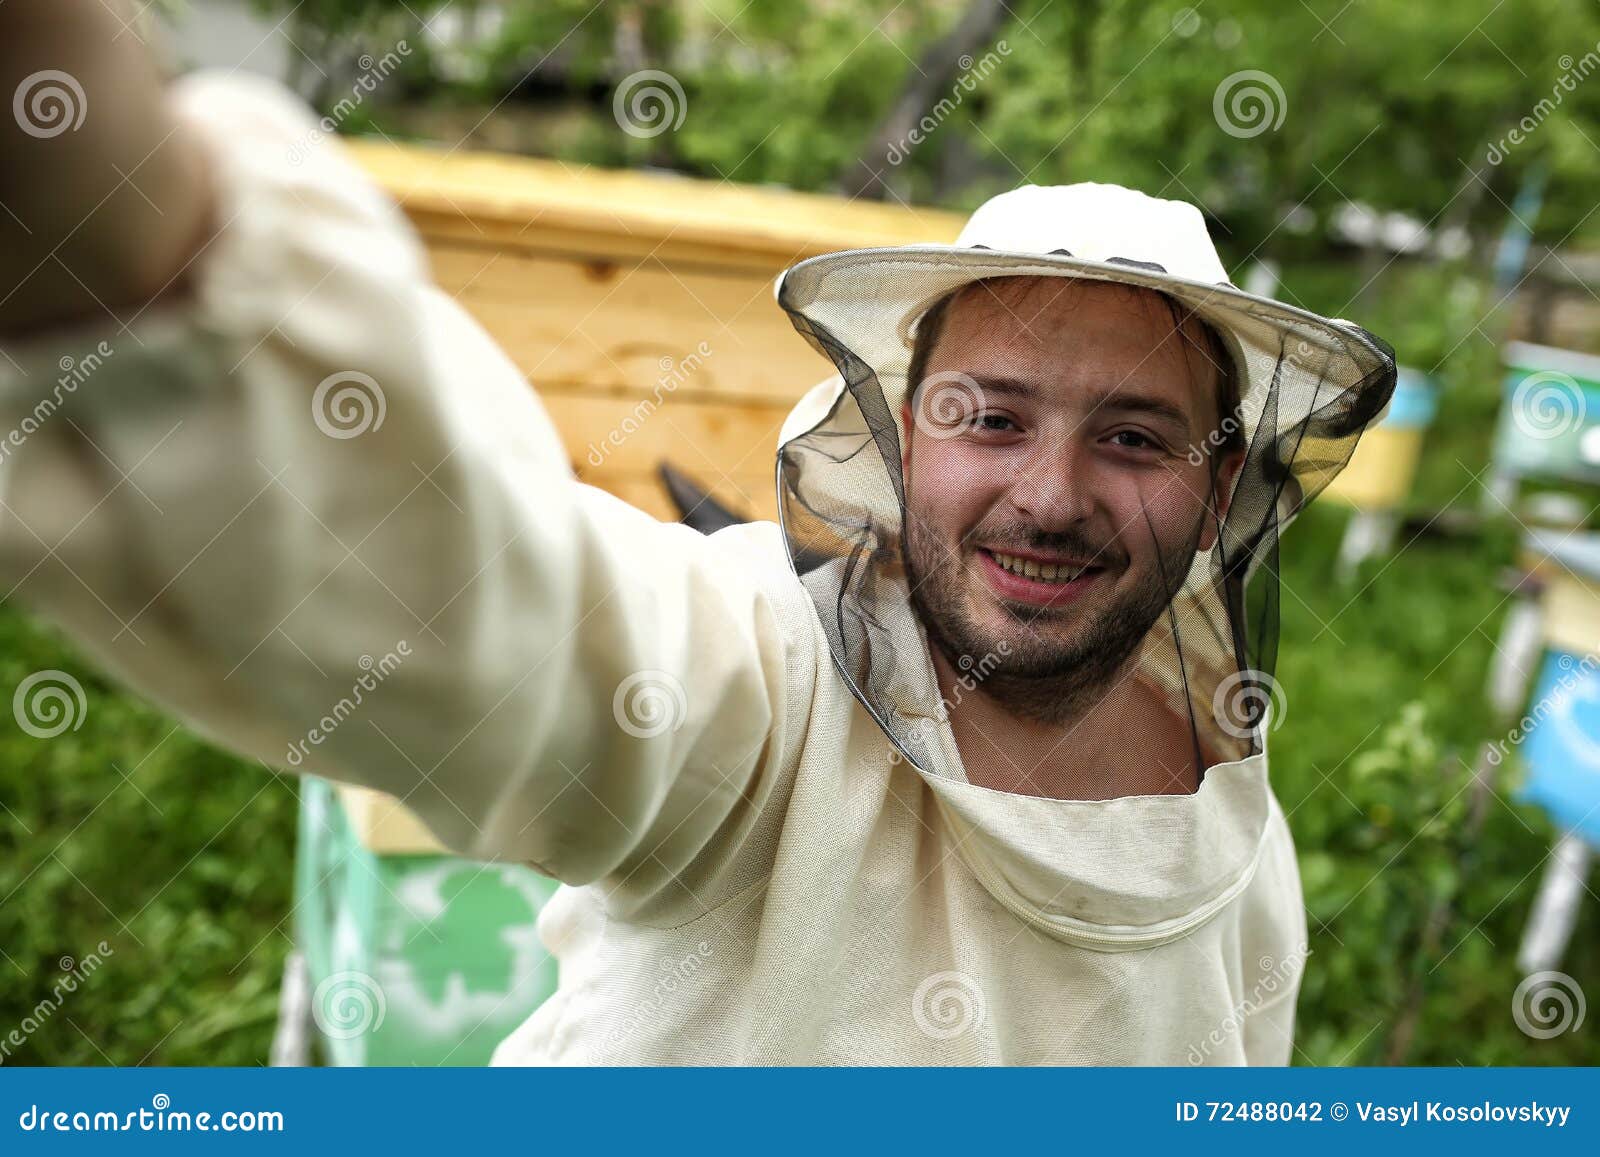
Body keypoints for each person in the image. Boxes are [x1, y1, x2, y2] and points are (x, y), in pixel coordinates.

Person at [0, 2, 1396, 1064]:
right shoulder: (765, 689)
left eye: (1137, 437)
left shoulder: (1235, 804)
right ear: (903, 440)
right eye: (990, 416)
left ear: (1221, 493)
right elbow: (507, 626)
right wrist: (134, 262)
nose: (1049, 493)